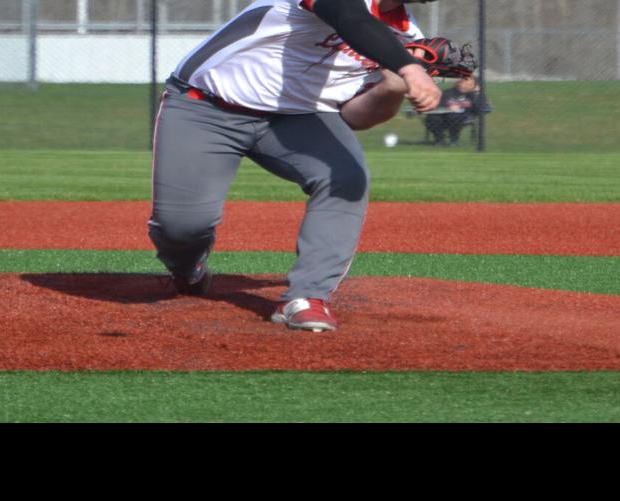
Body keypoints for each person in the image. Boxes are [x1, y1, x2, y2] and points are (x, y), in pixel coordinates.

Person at [148, 0, 443, 332]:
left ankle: (307, 296)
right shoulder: (382, 36)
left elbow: (353, 116)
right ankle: (188, 267)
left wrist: (393, 87)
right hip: (207, 106)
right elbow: (347, 15)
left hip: (297, 118)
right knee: (181, 226)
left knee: (346, 178)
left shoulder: (403, 38)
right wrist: (409, 67)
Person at [423, 76, 490, 146]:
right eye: (463, 83)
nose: (465, 86)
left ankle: (454, 140)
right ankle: (439, 139)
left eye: (469, 85)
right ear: (459, 83)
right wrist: (448, 107)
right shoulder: (447, 93)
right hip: (443, 117)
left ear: (474, 86)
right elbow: (437, 105)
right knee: (432, 118)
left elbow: (479, 110)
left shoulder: (475, 96)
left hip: (463, 117)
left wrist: (476, 94)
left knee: (454, 116)